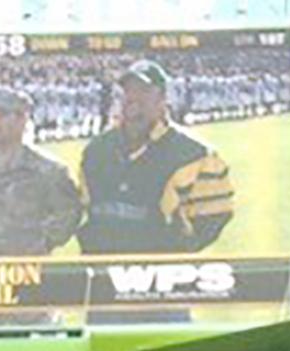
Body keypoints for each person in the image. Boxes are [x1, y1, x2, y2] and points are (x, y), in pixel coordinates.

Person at [76, 60, 233, 254]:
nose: (133, 97)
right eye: (128, 90)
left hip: (160, 274)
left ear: (162, 99)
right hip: (101, 268)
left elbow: (213, 217)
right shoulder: (96, 149)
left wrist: (177, 249)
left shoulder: (195, 153)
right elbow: (80, 207)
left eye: (144, 90)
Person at [0, 86, 83, 257]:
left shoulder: (49, 169)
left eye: (2, 115)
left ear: (22, 119)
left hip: (31, 269)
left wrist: (43, 242)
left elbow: (69, 212)